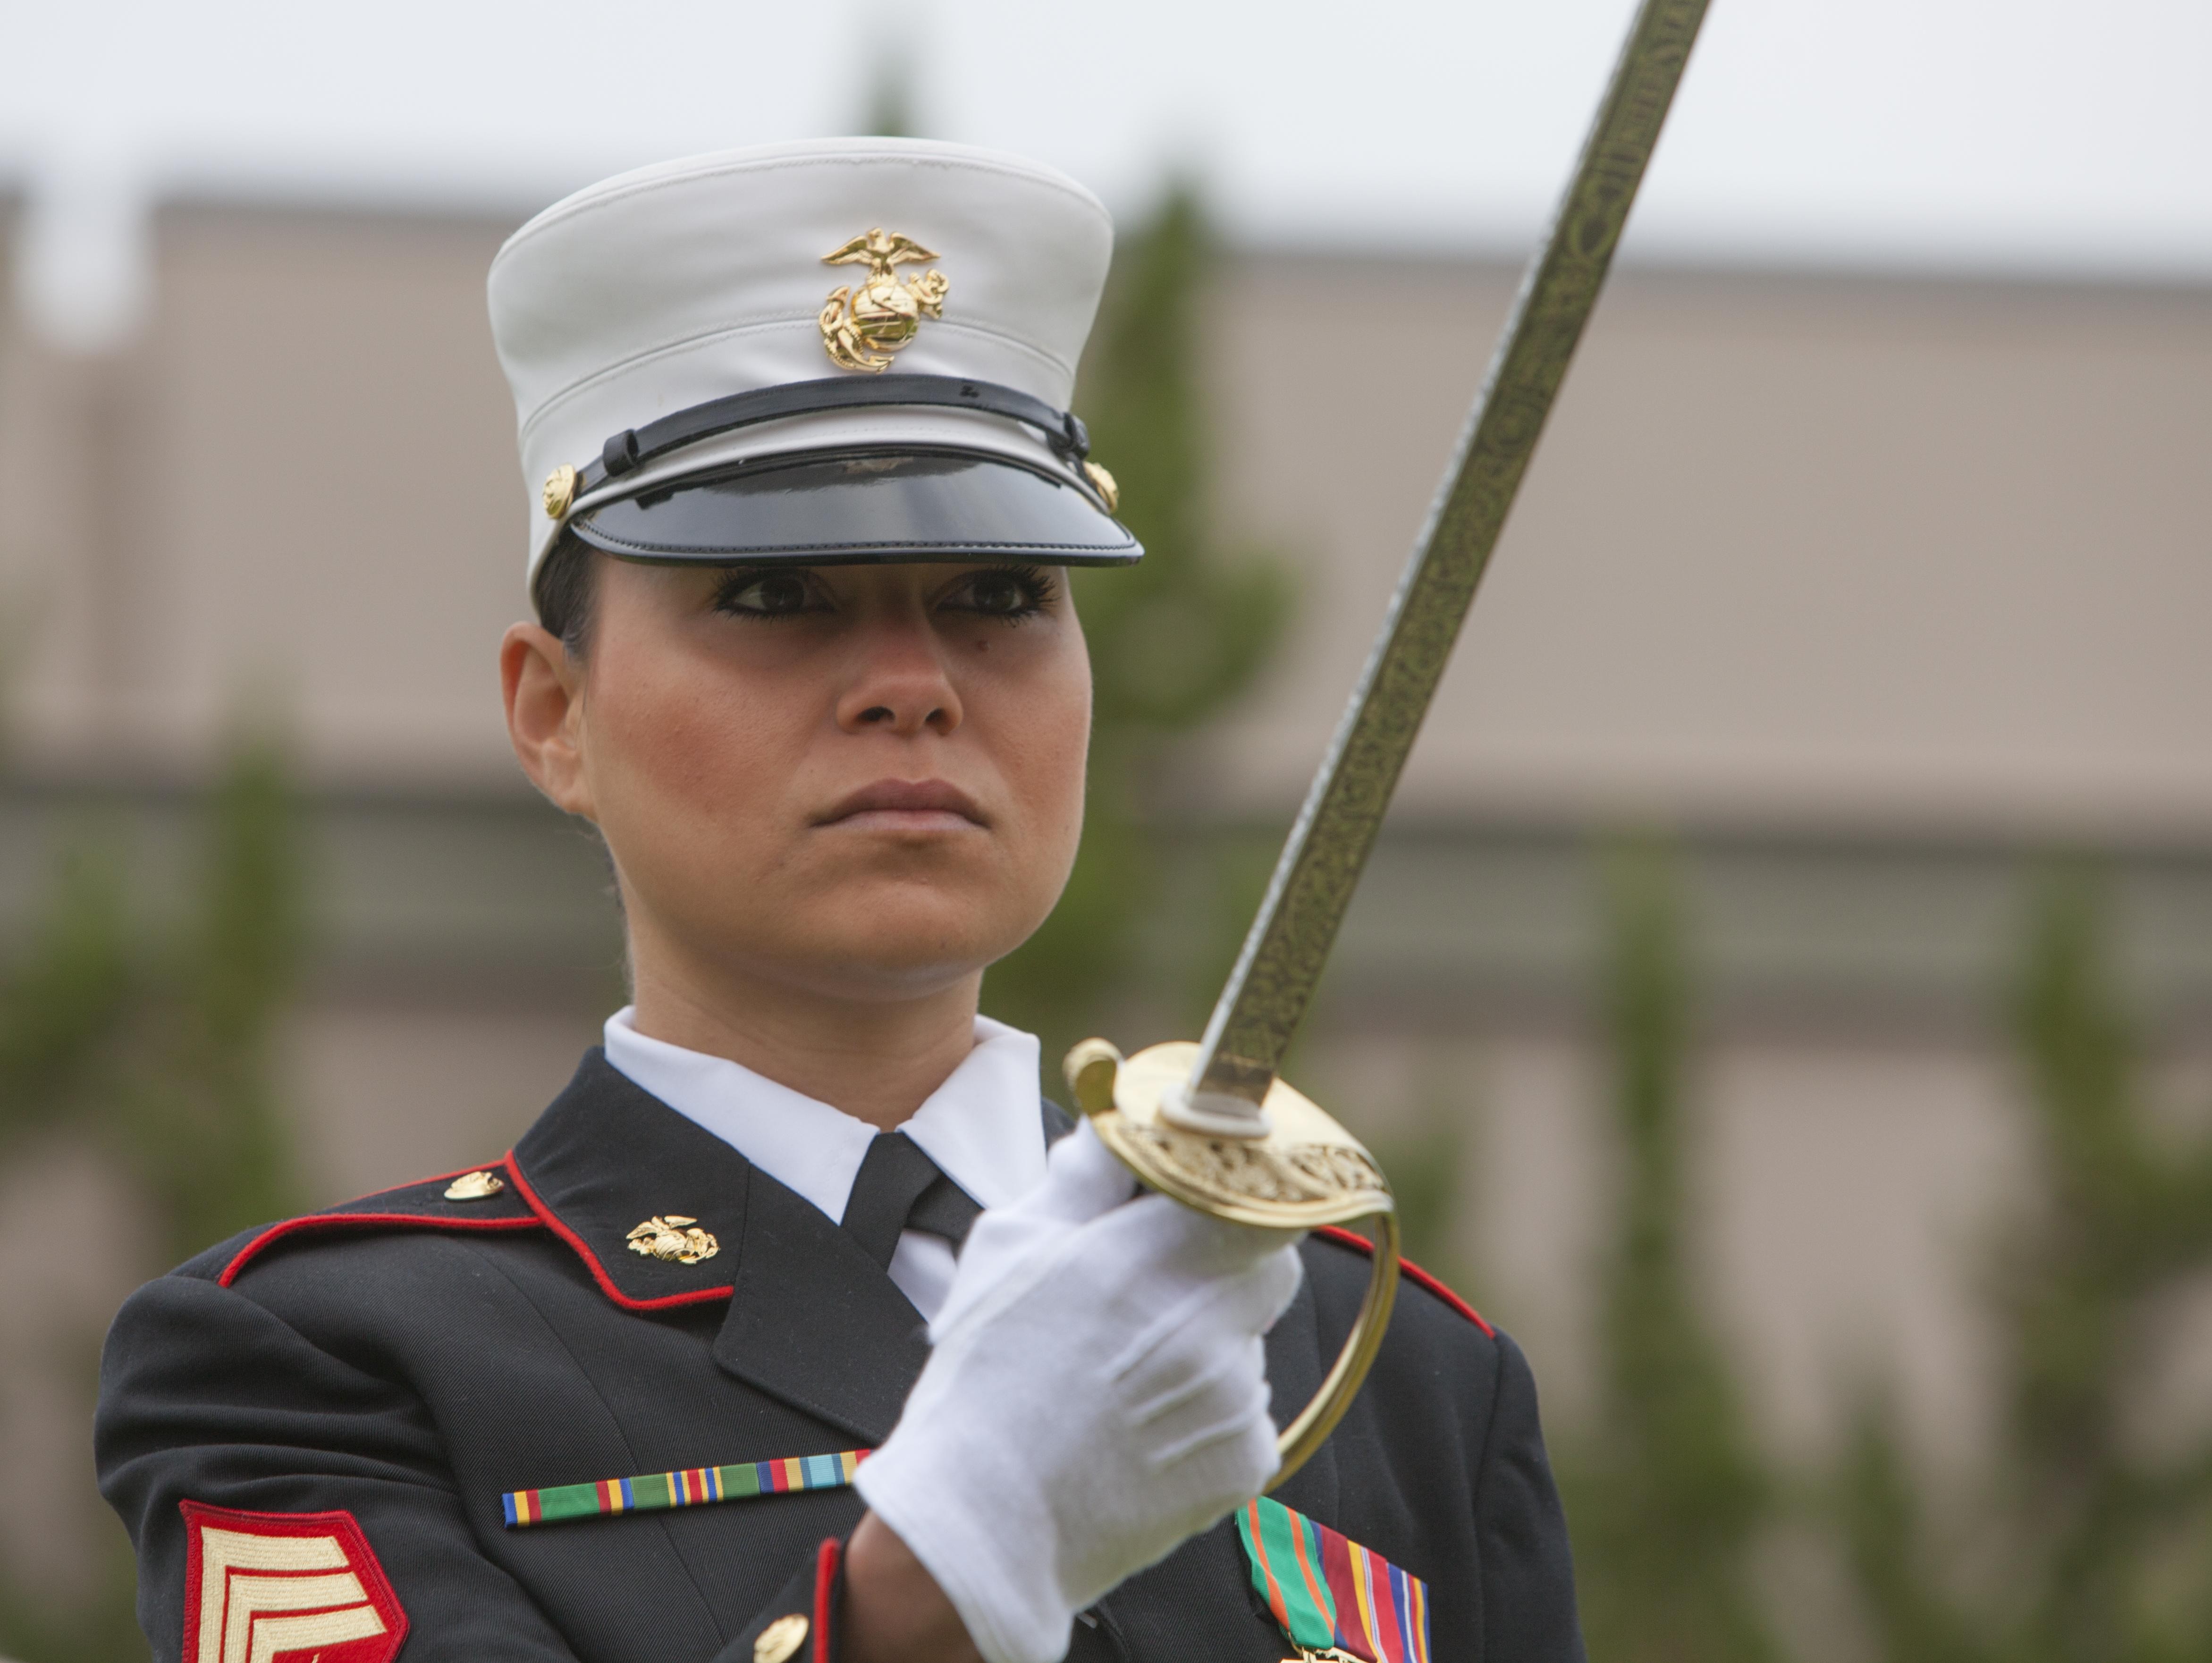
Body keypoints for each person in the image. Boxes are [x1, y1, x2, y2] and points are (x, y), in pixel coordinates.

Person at [96, 138, 1583, 1663]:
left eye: (999, 595)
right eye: (776, 595)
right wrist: (938, 1581)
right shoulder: (329, 1363)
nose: (911, 686)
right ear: (555, 715)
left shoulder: (1382, 1363)